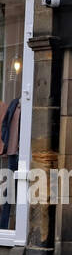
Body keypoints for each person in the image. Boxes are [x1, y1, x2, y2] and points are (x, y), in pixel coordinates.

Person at [0, 97, 18, 231]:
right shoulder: (14, 103)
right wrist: (6, 141)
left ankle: (20, 227)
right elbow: (5, 123)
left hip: (24, 154)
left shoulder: (30, 105)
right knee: (8, 191)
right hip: (12, 153)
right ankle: (3, 226)